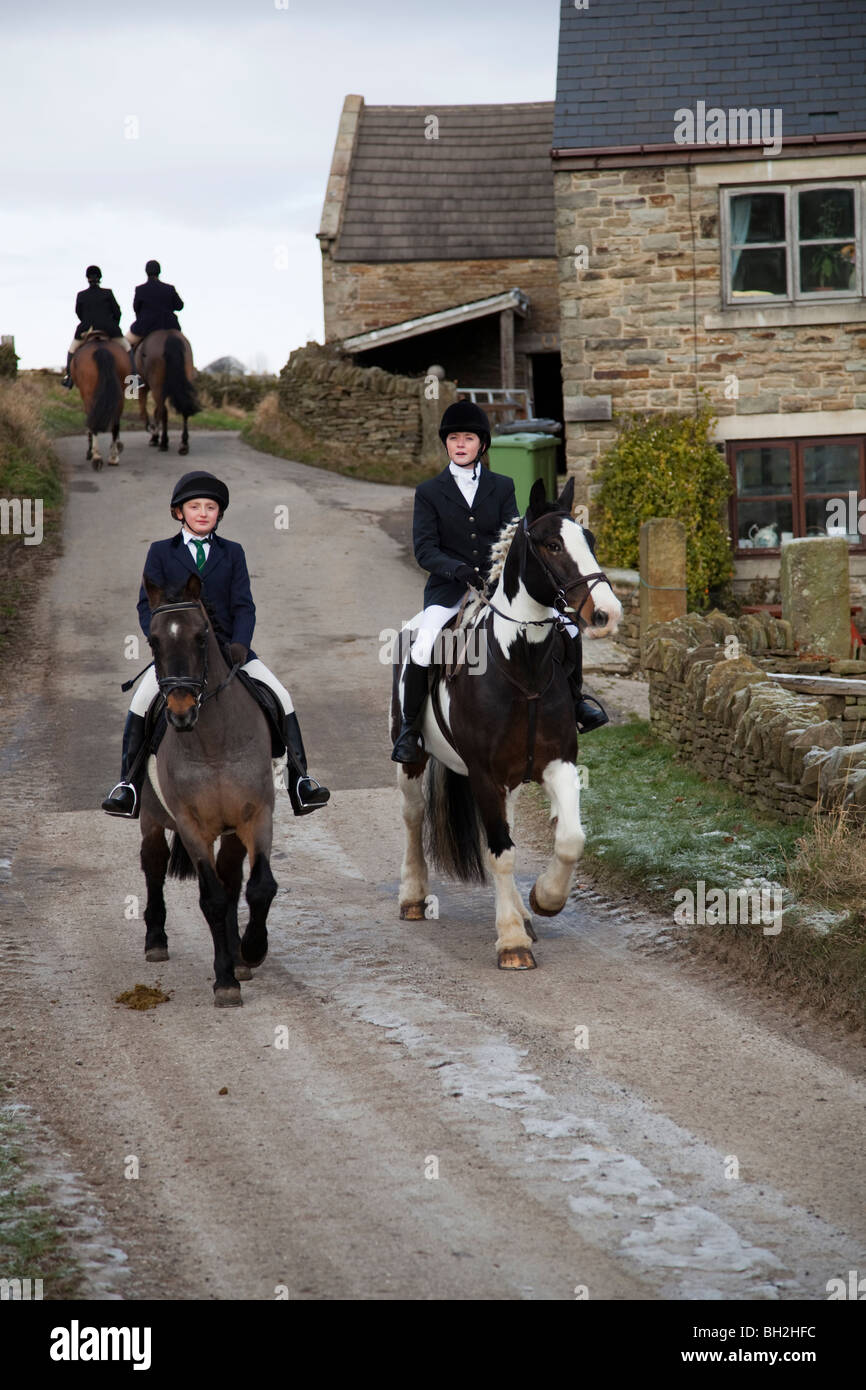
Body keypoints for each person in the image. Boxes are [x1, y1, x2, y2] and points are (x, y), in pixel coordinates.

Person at [101, 470, 330, 818]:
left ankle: (301, 780)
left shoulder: (233, 552)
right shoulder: (161, 552)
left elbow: (244, 605)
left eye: (211, 507)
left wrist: (240, 643)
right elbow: (146, 605)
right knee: (140, 701)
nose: (203, 513)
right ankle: (128, 785)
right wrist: (162, 642)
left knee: (281, 695)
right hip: (178, 654)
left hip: (229, 651)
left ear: (219, 514)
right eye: (195, 506)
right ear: (179, 512)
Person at [390, 401, 608, 763]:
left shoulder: (502, 486)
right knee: (423, 646)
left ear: (482, 445)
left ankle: (576, 702)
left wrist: (499, 576)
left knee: (567, 629)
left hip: (497, 589)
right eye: (454, 438)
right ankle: (410, 730)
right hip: (449, 591)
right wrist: (457, 569)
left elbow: (511, 538)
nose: (461, 444)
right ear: (446, 443)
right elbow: (424, 550)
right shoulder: (429, 492)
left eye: (469, 438)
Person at [61, 266, 134, 388]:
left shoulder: (81, 295)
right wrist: (113, 324)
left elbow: (78, 313)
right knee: (127, 348)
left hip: (87, 328)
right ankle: (134, 378)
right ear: (100, 278)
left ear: (87, 278)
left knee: (72, 350)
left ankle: (69, 378)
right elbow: (117, 312)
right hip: (109, 329)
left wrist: (87, 323)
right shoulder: (108, 293)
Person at [127, 259, 184, 350]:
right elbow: (180, 306)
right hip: (170, 325)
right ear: (159, 272)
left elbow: (136, 308)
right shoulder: (169, 288)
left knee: (126, 344)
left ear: (146, 272)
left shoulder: (140, 289)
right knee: (184, 346)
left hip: (145, 327)